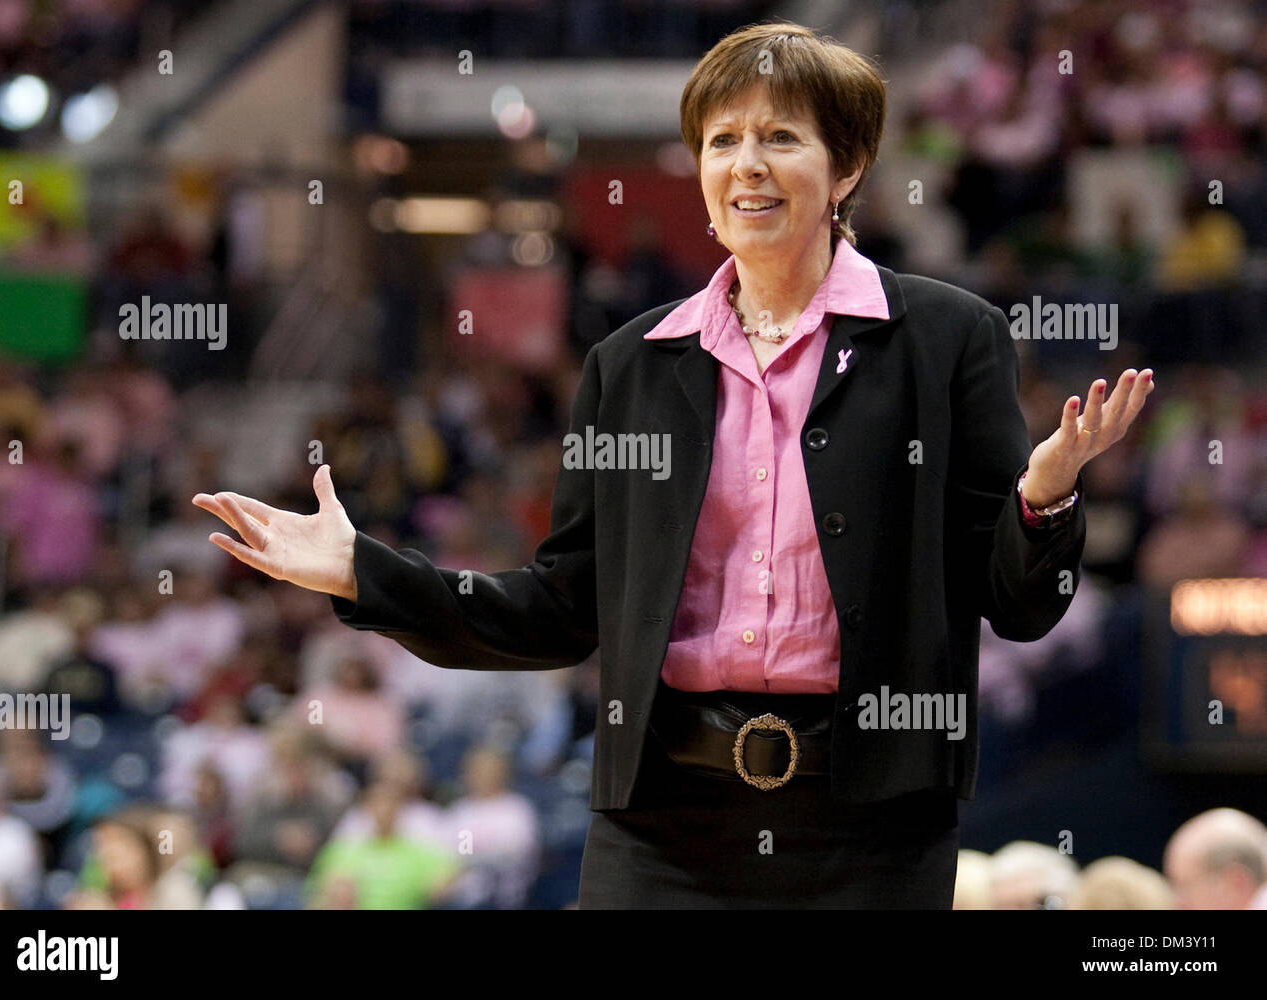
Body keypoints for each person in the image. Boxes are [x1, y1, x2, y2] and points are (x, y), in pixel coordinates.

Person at [192, 22, 1156, 908]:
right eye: (722, 140)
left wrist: (1044, 496)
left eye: (781, 138)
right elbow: (564, 605)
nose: (747, 165)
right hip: (660, 822)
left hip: (875, 825)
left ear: (848, 165)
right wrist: (367, 573)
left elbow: (1019, 606)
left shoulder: (948, 339)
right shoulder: (631, 366)